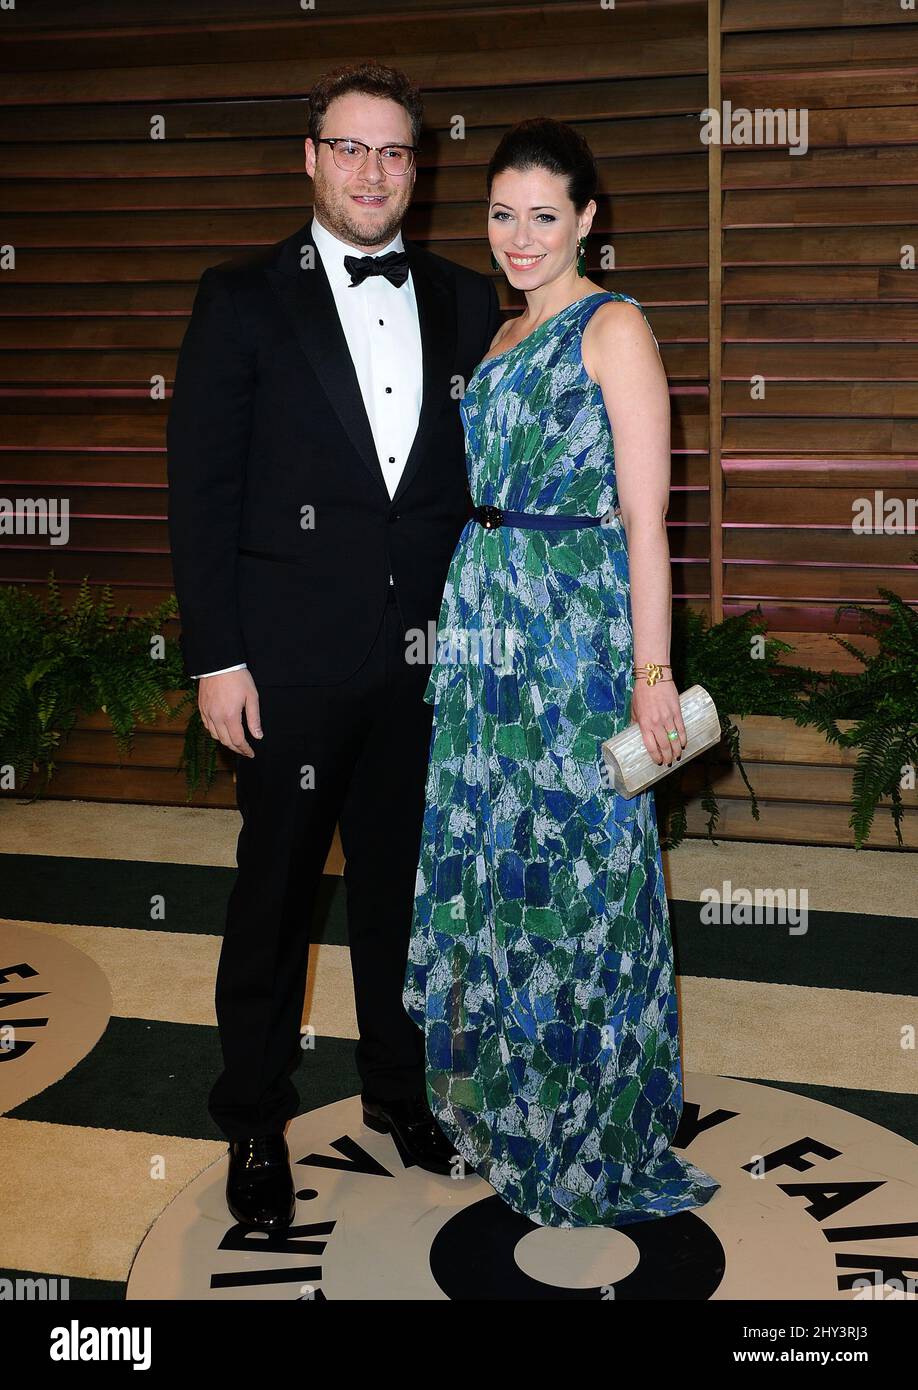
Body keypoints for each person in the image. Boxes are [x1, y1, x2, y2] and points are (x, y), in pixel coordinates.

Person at [167, 62, 499, 1231]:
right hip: (287, 666)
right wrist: (216, 657)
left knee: (406, 903)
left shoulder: (467, 300)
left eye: (395, 151)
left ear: (421, 167)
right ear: (310, 158)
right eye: (351, 148)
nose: (373, 171)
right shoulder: (242, 296)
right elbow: (201, 489)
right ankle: (255, 1120)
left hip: (426, 668)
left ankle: (400, 1095)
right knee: (273, 901)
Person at [403, 118, 721, 1227]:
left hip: (574, 631)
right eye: (502, 214)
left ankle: (593, 1127)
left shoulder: (614, 327)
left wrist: (651, 668)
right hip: (485, 624)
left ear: (587, 220)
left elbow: (647, 519)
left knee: (581, 878)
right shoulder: (493, 342)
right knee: (497, 872)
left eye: (545, 215)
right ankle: (515, 1110)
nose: (520, 237)